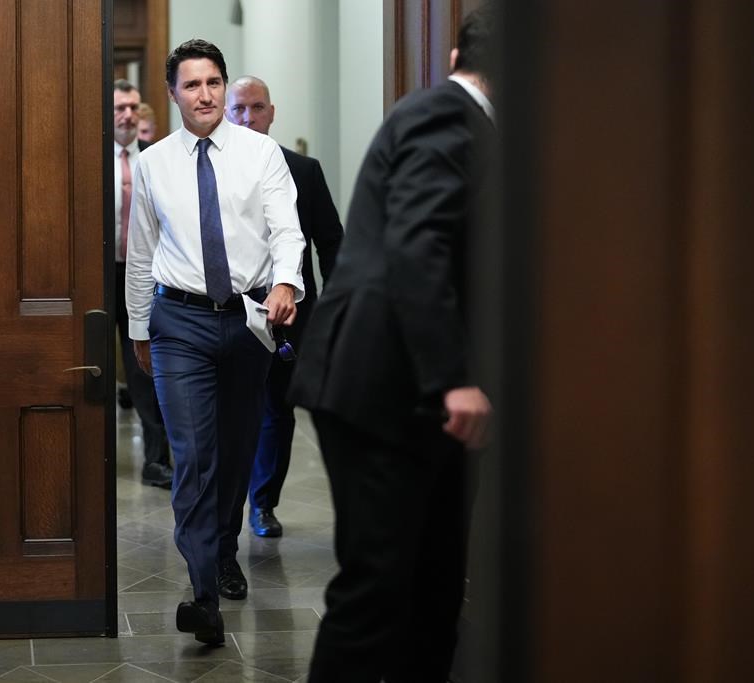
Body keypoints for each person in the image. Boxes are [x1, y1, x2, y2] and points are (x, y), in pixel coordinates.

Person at [287, 7, 496, 681]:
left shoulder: (465, 119)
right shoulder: (447, 115)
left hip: (414, 395)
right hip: (386, 387)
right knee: (376, 592)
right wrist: (452, 377)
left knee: (434, 591)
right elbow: (417, 247)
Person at [124, 39, 305, 646]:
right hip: (180, 323)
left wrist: (287, 282)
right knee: (194, 454)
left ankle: (224, 546)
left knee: (234, 449)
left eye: (213, 83)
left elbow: (288, 230)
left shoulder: (262, 155)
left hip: (250, 320)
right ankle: (202, 590)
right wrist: (139, 328)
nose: (204, 94)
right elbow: (143, 256)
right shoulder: (153, 164)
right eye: (191, 84)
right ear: (172, 93)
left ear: (224, 89)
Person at [225, 76, 343, 538]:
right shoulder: (212, 171)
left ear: (272, 112)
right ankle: (226, 504)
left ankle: (263, 504)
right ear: (226, 113)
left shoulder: (304, 172)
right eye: (239, 109)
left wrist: (331, 310)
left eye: (257, 108)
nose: (248, 118)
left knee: (277, 410)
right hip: (230, 312)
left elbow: (332, 243)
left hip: (290, 316)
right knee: (232, 412)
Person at [113, 79, 172, 489]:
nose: (128, 115)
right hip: (99, 275)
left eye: (133, 107)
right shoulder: (90, 160)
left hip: (146, 276)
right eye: (119, 108)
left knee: (145, 368)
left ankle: (156, 460)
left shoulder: (155, 161)